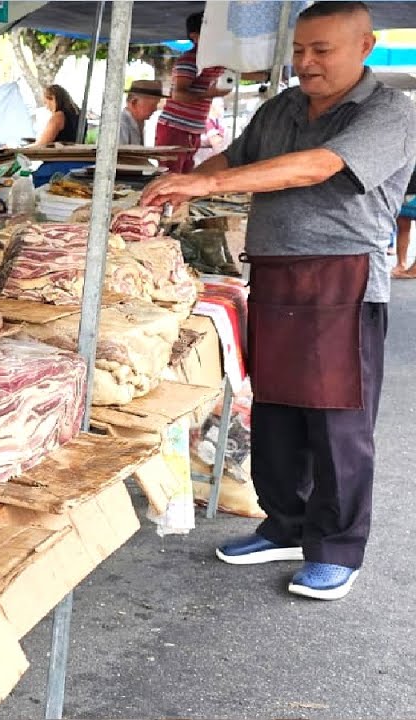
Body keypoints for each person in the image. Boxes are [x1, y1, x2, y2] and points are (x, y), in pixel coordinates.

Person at [142, 1, 416, 601]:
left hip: (342, 282)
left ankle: (338, 548)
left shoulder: (389, 112)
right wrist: (178, 187)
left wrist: (208, 183)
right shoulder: (282, 107)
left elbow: (317, 167)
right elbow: (235, 160)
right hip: (274, 275)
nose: (306, 63)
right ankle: (285, 525)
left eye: (322, 50)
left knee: (338, 424)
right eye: (298, 50)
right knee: (276, 413)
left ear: (365, 46)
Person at [156, 12, 233, 173]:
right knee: (170, 176)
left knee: (184, 177)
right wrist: (210, 94)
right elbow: (178, 95)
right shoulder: (190, 60)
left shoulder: (212, 62)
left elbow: (239, 71)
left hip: (192, 129)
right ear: (195, 37)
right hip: (176, 128)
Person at [118, 80, 168, 146]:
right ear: (134, 102)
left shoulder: (138, 122)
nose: (155, 109)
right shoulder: (121, 124)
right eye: (152, 105)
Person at [393, 170, 416, 277]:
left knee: (402, 228)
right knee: (402, 227)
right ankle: (401, 263)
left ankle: (414, 268)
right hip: (404, 186)